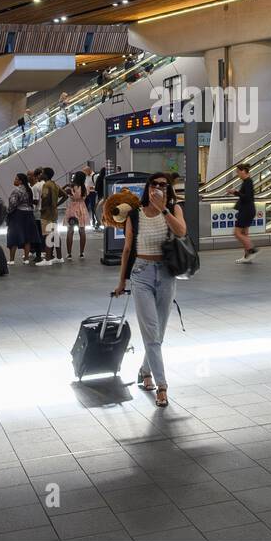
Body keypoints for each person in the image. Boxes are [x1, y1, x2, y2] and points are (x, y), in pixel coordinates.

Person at [112, 172, 186, 408]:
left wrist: (163, 209)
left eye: (163, 185)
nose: (158, 188)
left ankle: (145, 371)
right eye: (154, 184)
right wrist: (122, 281)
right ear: (148, 187)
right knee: (152, 333)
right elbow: (126, 249)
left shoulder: (174, 210)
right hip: (141, 275)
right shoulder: (135, 214)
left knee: (159, 334)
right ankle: (162, 387)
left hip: (166, 274)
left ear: (169, 189)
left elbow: (181, 232)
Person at [5, 173, 42, 264]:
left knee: (13, 236)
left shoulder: (16, 190)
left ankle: (11, 260)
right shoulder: (29, 189)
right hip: (29, 214)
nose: (14, 180)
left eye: (16, 179)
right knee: (27, 236)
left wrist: (8, 213)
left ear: (20, 181)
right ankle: (26, 259)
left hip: (18, 214)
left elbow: (13, 204)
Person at [231, 163, 257, 263]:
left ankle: (252, 250)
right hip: (248, 210)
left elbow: (247, 197)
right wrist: (236, 193)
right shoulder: (246, 181)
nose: (237, 174)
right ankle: (247, 257)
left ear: (243, 171)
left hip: (246, 210)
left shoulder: (248, 182)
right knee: (244, 233)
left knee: (237, 233)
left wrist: (235, 192)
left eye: (238, 172)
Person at [38, 167, 64, 264]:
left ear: (46, 175)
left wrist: (43, 209)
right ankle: (59, 257)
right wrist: (57, 204)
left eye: (42, 173)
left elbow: (45, 198)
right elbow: (65, 195)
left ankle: (47, 259)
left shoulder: (46, 185)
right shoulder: (55, 185)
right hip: (54, 213)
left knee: (48, 235)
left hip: (47, 214)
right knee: (55, 235)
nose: (41, 175)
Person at [62, 175, 89, 260]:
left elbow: (62, 192)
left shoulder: (71, 188)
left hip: (72, 209)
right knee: (82, 231)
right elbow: (85, 197)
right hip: (82, 208)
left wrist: (66, 185)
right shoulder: (85, 188)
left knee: (70, 231)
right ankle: (82, 253)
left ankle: (69, 254)